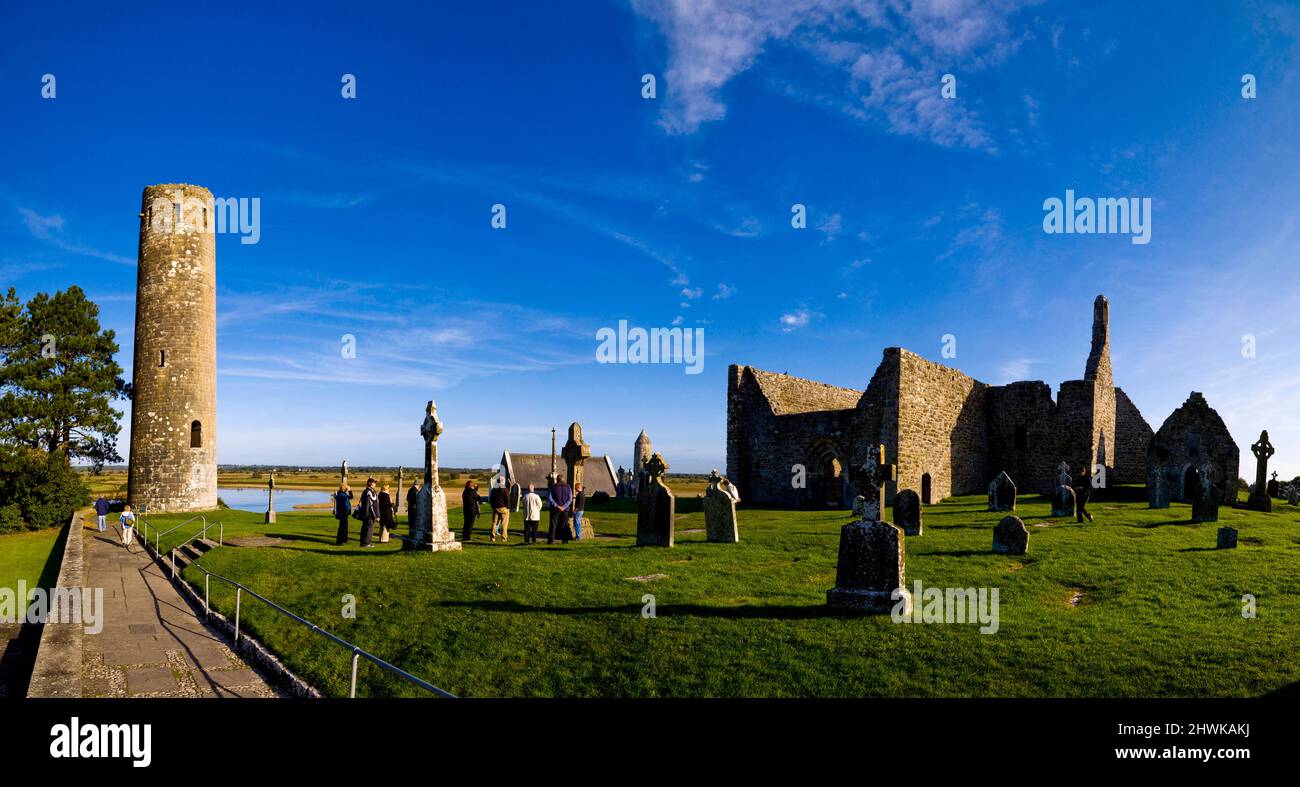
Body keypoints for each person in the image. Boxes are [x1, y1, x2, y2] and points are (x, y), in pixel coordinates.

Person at [547, 475, 573, 544]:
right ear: (563, 480)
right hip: (565, 509)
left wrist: (556, 506)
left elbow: (550, 498)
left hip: (555, 509)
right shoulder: (568, 487)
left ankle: (551, 540)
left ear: (557, 480)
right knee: (564, 525)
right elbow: (570, 499)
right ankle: (564, 540)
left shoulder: (552, 487)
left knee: (553, 524)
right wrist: (564, 507)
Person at [358, 478, 380, 547]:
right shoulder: (370, 492)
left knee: (365, 528)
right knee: (369, 529)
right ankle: (367, 543)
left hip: (366, 514)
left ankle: (363, 543)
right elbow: (371, 505)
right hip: (370, 515)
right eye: (374, 483)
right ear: (370, 484)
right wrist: (376, 515)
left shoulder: (366, 491)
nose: (375, 484)